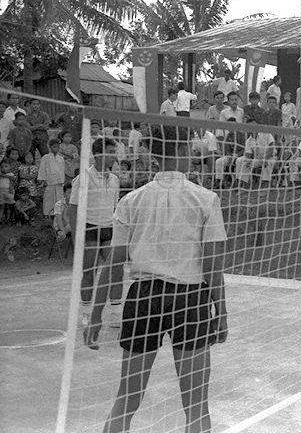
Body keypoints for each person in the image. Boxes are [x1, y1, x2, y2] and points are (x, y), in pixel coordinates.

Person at [83, 125, 228, 433]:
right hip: (189, 299)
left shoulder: (131, 200)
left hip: (143, 298)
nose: (192, 156)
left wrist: (95, 316)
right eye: (189, 149)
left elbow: (113, 264)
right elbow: (213, 265)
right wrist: (222, 312)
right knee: (196, 406)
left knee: (127, 399)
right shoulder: (205, 198)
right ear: (178, 152)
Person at [70, 138, 121, 328]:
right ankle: (86, 312)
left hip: (108, 229)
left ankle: (116, 313)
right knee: (89, 272)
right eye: (110, 151)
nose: (114, 155)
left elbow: (115, 208)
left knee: (116, 270)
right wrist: (77, 237)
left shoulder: (115, 179)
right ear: (98, 154)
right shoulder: (84, 177)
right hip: (90, 229)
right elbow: (73, 208)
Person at [38, 138, 66, 217]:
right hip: (49, 181)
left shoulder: (61, 158)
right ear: (50, 147)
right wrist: (42, 179)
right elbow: (42, 169)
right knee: (49, 198)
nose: (56, 149)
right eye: (54, 147)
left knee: (59, 198)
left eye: (58, 147)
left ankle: (59, 213)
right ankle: (47, 213)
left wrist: (62, 179)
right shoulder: (45, 158)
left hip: (59, 181)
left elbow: (62, 169)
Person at [0, 159, 16, 224]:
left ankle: (9, 219)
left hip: (8, 191)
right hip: (1, 191)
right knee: (2, 206)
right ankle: (1, 219)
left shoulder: (11, 174)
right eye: (2, 167)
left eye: (6, 166)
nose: (4, 168)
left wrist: (11, 188)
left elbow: (12, 181)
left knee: (9, 206)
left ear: (10, 167)